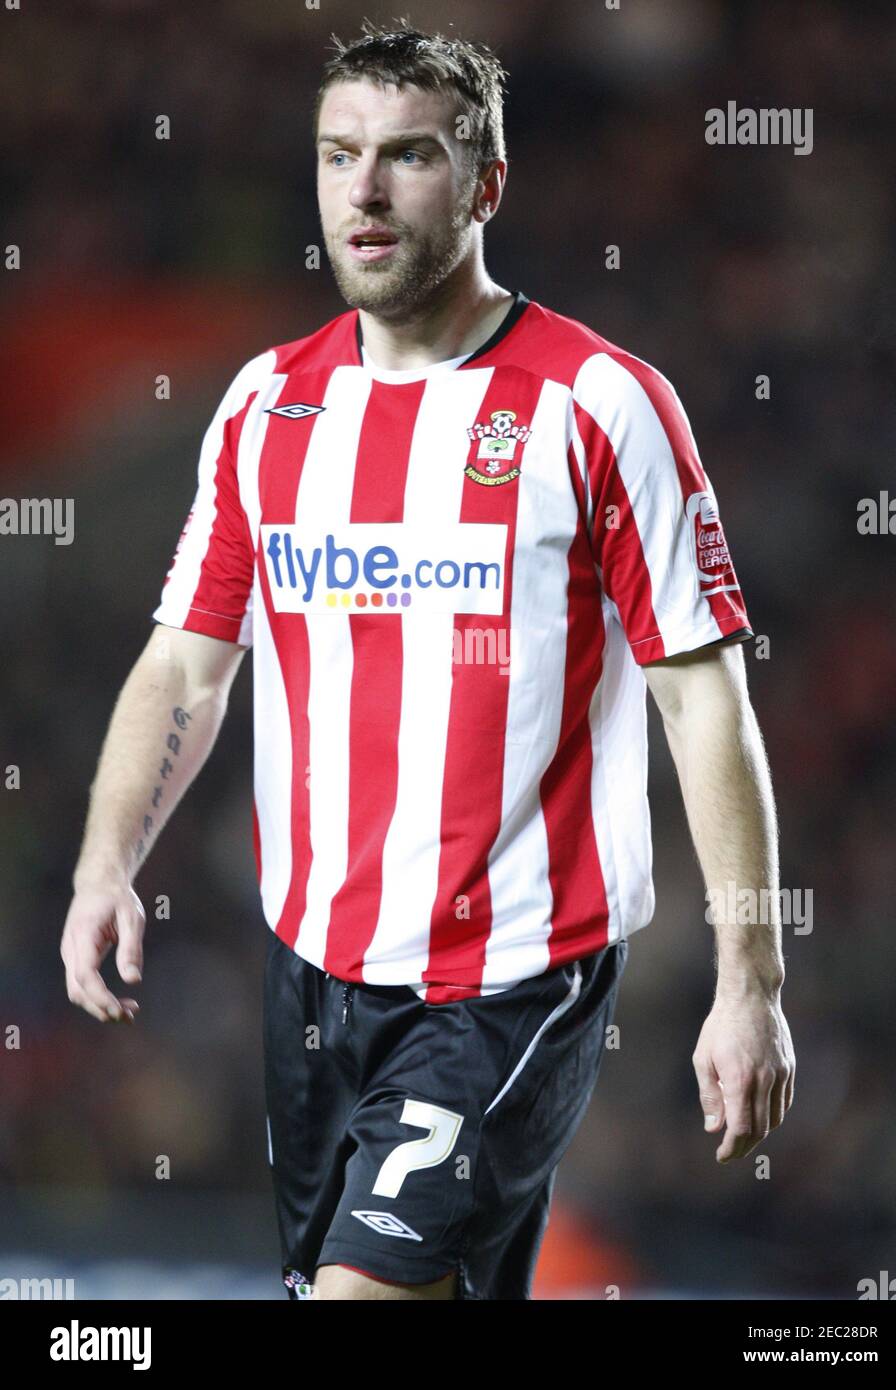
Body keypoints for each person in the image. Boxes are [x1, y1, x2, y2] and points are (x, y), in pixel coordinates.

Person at [60, 21, 795, 1302]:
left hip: (512, 981)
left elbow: (703, 702)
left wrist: (750, 980)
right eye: (339, 155)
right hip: (315, 975)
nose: (364, 190)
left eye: (406, 156)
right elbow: (184, 665)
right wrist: (105, 862)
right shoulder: (264, 406)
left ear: (485, 182)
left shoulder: (599, 404)